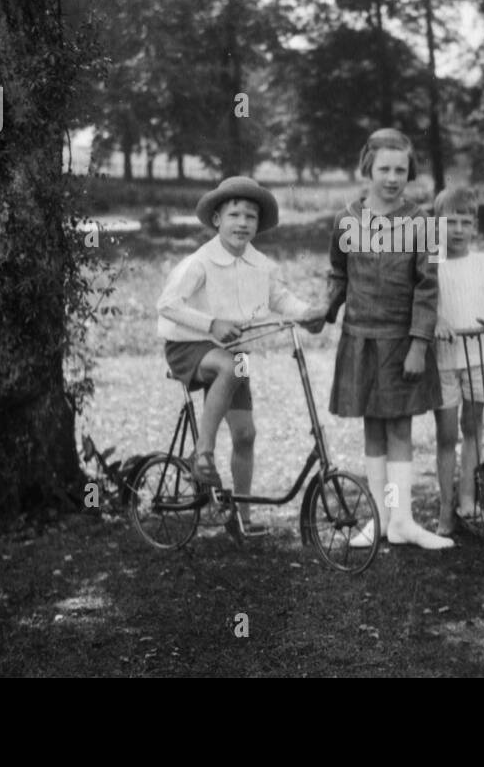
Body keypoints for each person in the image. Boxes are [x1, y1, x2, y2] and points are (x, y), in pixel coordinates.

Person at [157, 177, 325, 536]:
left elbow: (281, 299)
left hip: (233, 352)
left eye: (251, 216)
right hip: (189, 344)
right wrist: (212, 323)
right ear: (217, 219)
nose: (243, 222)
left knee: (246, 433)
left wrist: (307, 314)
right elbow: (167, 305)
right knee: (231, 365)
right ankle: (201, 452)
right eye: (234, 214)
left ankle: (242, 517)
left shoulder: (261, 265)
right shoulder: (200, 262)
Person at [326, 128, 453, 550]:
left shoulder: (424, 223)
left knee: (400, 428)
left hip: (402, 343)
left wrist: (419, 345)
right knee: (373, 429)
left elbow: (428, 286)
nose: (392, 177)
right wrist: (324, 310)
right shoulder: (347, 219)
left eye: (401, 169)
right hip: (361, 339)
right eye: (384, 168)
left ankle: (404, 521)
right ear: (368, 167)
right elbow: (339, 274)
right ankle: (378, 518)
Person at [430, 186, 484, 535]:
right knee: (446, 433)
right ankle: (446, 507)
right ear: (438, 225)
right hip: (445, 360)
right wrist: (435, 322)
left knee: (472, 427)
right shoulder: (430, 264)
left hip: (479, 357)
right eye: (451, 222)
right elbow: (423, 305)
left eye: (465, 222)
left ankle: (468, 499)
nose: (459, 230)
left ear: (475, 227)